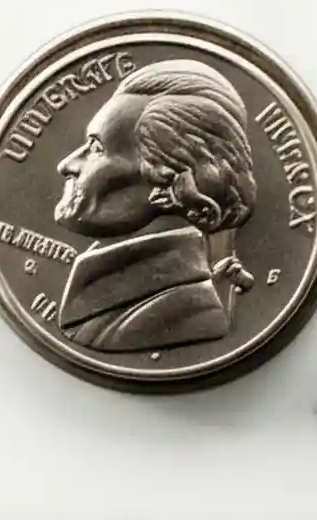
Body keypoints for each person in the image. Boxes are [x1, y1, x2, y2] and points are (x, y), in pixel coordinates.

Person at [51, 59, 257, 353]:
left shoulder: (178, 315)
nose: (66, 164)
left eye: (97, 148)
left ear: (168, 182)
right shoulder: (110, 299)